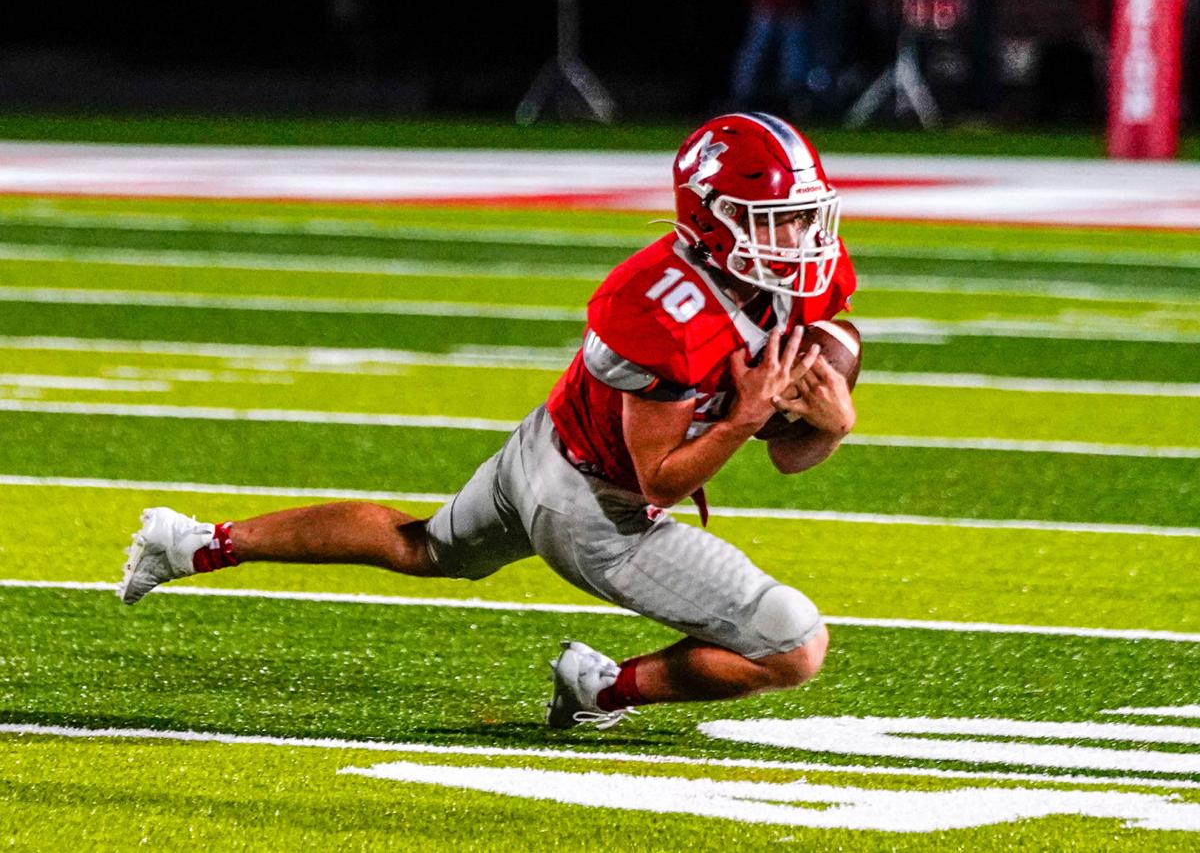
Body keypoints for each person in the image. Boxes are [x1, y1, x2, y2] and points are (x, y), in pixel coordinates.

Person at [118, 112, 859, 730]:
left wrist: (831, 423)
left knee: (426, 547)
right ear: (711, 218)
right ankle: (601, 687)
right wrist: (743, 419)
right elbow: (658, 473)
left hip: (549, 449)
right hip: (597, 506)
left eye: (803, 215)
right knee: (793, 645)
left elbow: (791, 456)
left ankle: (191, 545)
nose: (801, 237)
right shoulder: (660, 310)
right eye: (779, 219)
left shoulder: (791, 277)